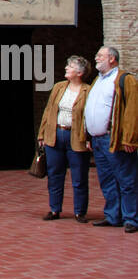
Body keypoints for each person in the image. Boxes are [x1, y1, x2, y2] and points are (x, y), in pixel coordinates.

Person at [84, 46, 138, 231]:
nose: (96, 58)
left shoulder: (124, 79)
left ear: (112, 59)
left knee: (126, 180)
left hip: (114, 139)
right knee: (107, 180)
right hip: (98, 140)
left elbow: (132, 111)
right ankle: (113, 215)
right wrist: (88, 135)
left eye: (100, 55)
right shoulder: (97, 81)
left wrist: (130, 139)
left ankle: (131, 218)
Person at [37, 55, 92, 221]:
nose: (66, 68)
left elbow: (89, 115)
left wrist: (89, 137)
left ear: (80, 72)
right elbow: (49, 110)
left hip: (75, 135)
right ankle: (54, 209)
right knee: (54, 173)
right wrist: (42, 133)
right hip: (55, 135)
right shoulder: (59, 87)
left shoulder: (87, 91)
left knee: (79, 175)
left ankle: (80, 211)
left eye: (70, 66)